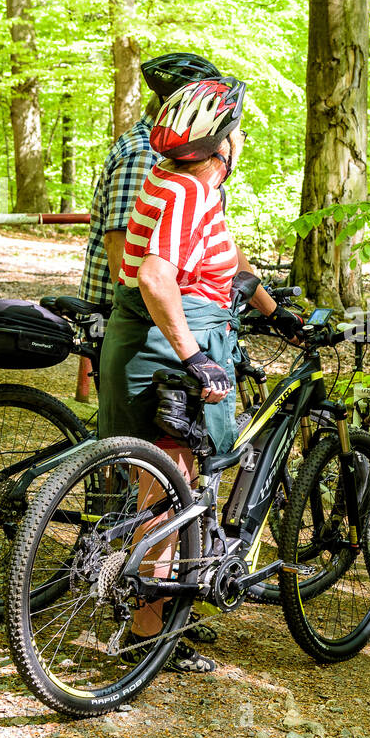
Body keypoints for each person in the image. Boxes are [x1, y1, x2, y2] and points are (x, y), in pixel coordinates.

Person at [98, 77, 303, 673]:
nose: (239, 143)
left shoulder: (176, 183)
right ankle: (146, 632)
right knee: (169, 495)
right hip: (169, 346)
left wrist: (274, 310)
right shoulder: (189, 190)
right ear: (222, 145)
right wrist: (195, 356)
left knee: (162, 492)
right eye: (237, 134)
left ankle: (153, 614)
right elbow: (157, 276)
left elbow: (226, 256)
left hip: (150, 338)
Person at [75, 52, 223, 402]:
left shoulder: (174, 156)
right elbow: (120, 246)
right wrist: (139, 319)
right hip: (124, 315)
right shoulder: (144, 154)